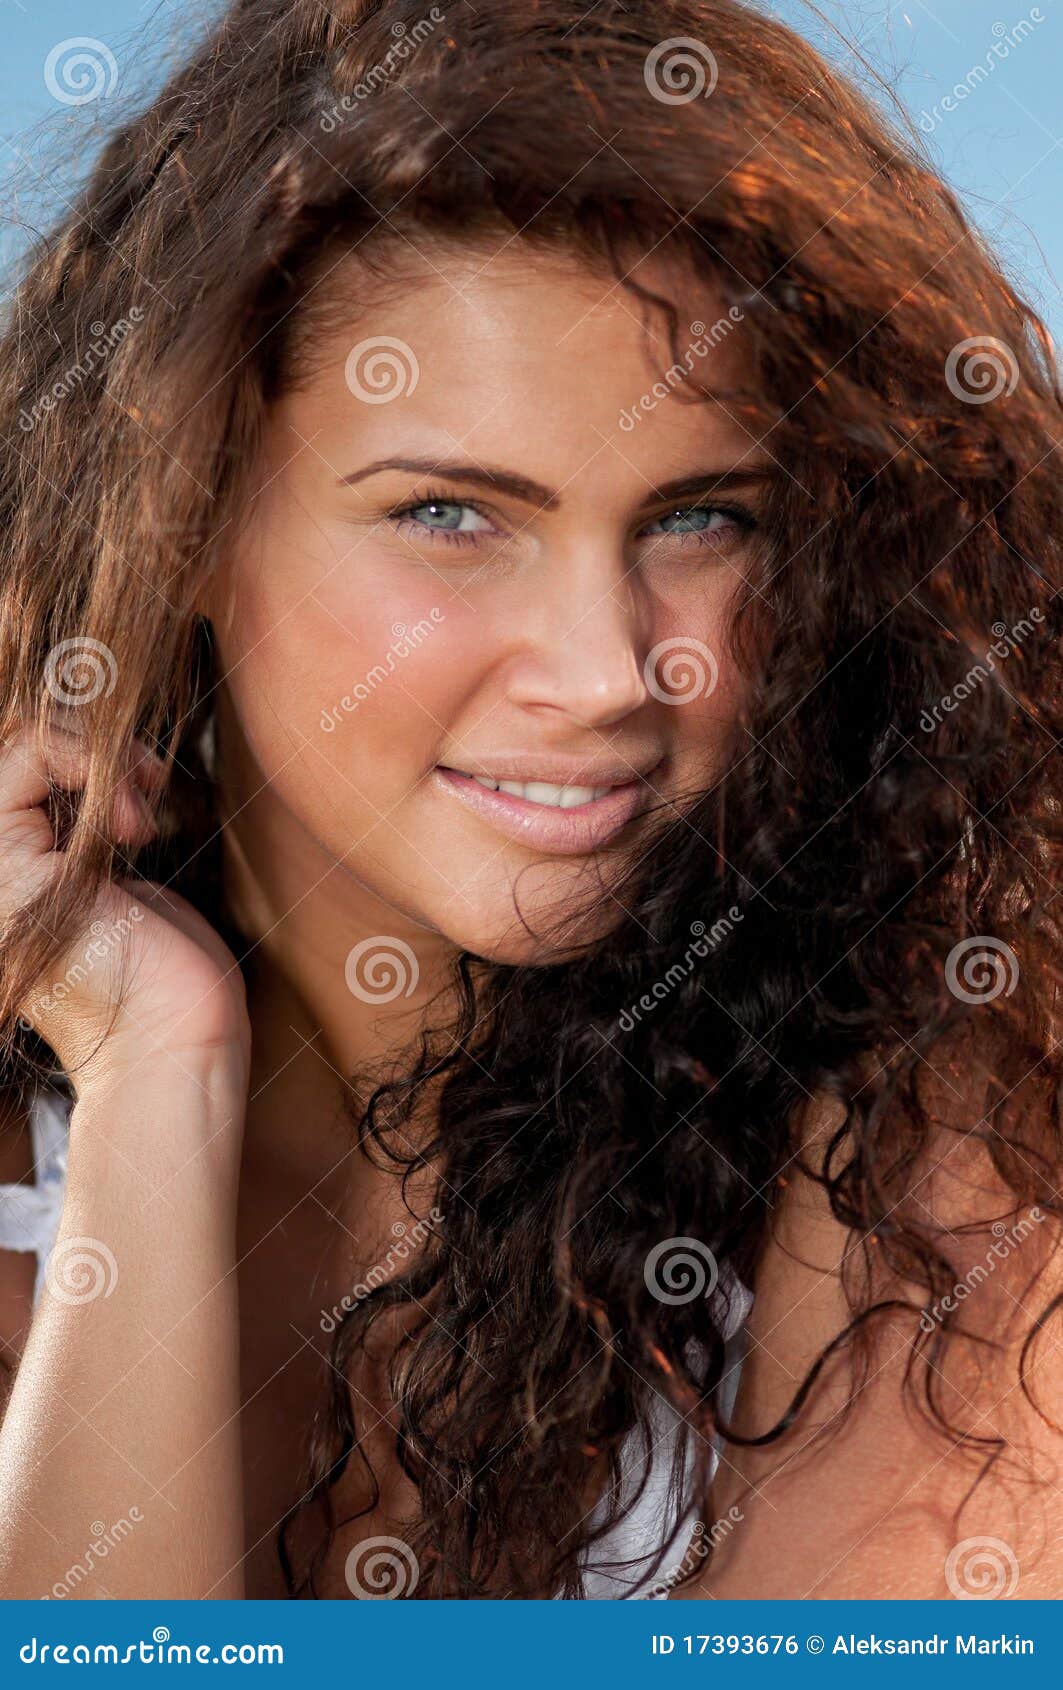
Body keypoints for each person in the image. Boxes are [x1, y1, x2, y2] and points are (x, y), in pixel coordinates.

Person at [0, 0, 1059, 1601]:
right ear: (185, 525)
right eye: (449, 513)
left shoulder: (941, 1113)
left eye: (700, 517)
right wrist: (155, 1064)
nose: (606, 670)